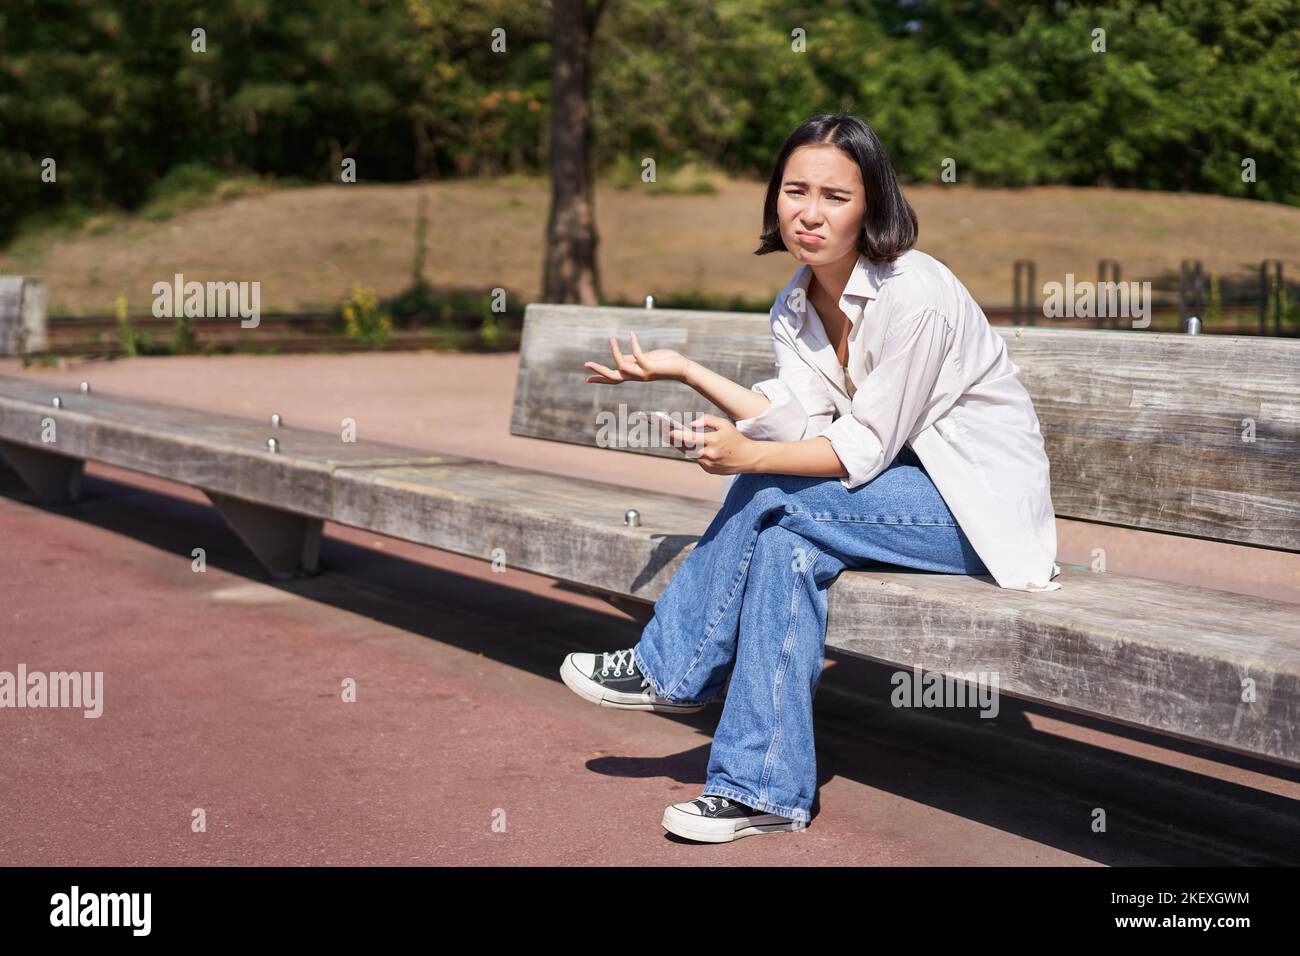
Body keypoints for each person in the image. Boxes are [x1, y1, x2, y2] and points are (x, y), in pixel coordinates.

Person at [559, 112, 1061, 844]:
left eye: (835, 196)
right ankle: (759, 789)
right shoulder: (796, 304)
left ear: (872, 206)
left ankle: (670, 670)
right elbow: (797, 421)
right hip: (887, 501)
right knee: (784, 548)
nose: (811, 213)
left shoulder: (915, 294)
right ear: (775, 199)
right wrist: (689, 372)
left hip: (974, 514)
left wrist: (748, 459)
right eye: (796, 191)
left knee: (770, 492)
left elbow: (859, 445)